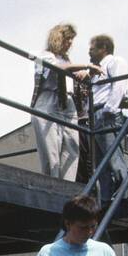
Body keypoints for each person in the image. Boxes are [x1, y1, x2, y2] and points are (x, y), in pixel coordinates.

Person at [32, 23, 102, 181]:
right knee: (52, 156)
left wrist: (86, 73)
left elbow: (71, 71)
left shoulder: (67, 59)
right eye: (67, 38)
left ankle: (67, 190)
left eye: (71, 39)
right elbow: (60, 68)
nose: (70, 42)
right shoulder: (44, 55)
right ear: (58, 38)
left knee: (72, 150)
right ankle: (51, 191)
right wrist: (84, 66)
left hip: (68, 105)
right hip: (49, 102)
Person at [87, 34, 128, 199]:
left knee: (112, 155)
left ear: (103, 48)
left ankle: (122, 192)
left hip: (105, 113)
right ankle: (106, 197)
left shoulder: (115, 62)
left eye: (92, 48)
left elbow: (120, 85)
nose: (89, 52)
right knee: (100, 161)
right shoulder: (96, 69)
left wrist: (109, 109)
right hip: (95, 114)